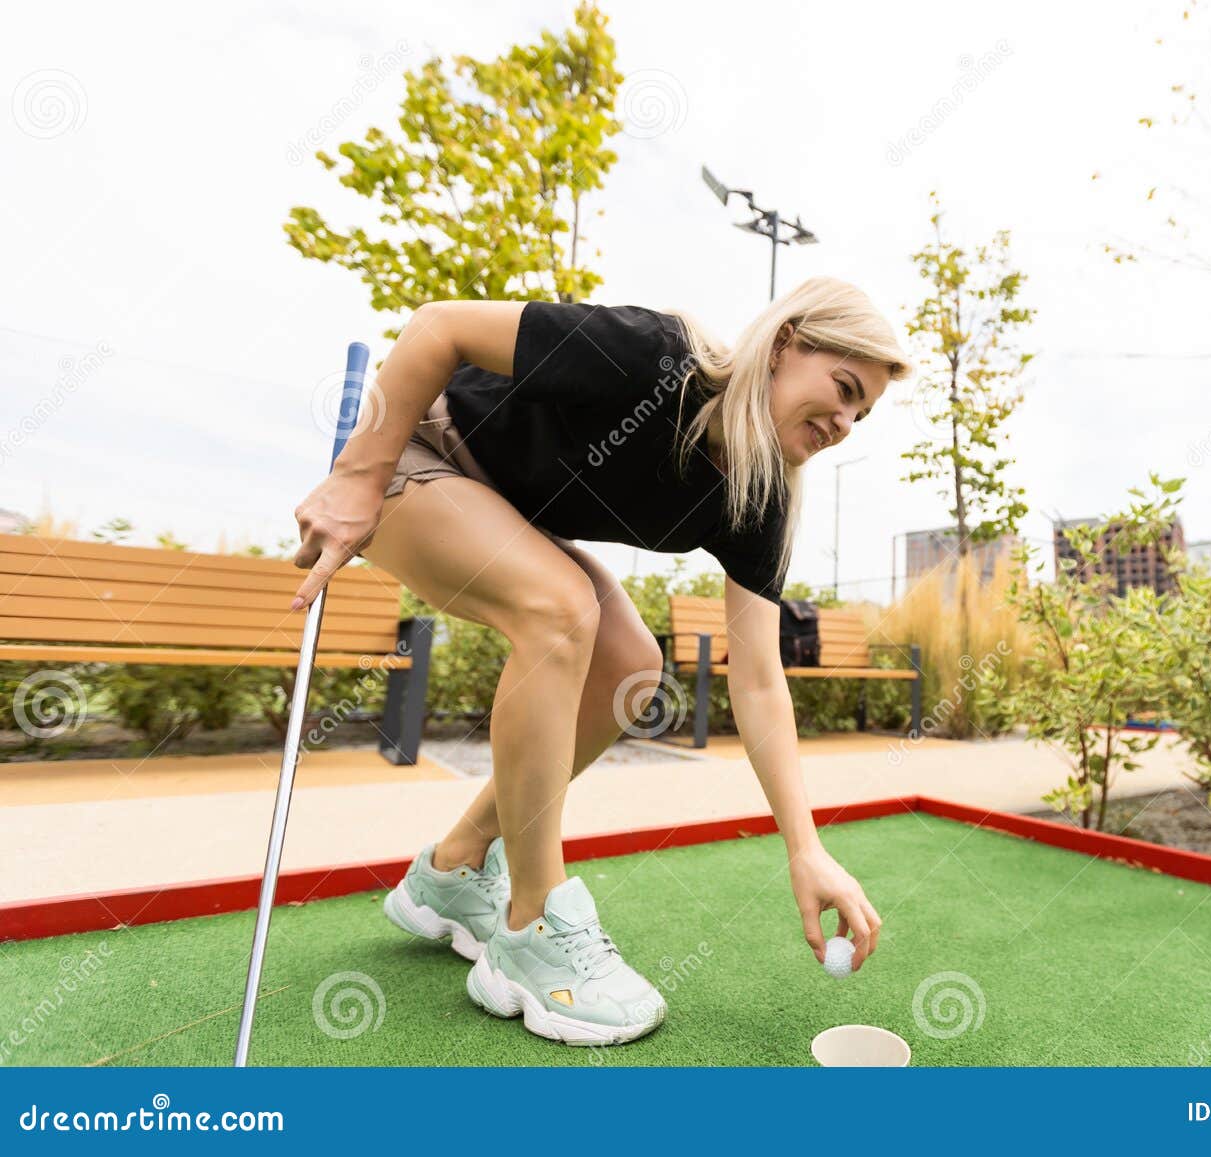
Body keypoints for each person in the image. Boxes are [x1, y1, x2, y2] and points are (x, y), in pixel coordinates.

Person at [289, 277, 911, 1046]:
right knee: (561, 609)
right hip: (408, 455)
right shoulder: (654, 357)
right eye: (844, 389)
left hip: (498, 509)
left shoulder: (761, 498)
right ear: (785, 344)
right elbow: (437, 326)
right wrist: (357, 475)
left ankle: (453, 868)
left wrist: (805, 846)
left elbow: (758, 679)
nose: (846, 423)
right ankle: (532, 926)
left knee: (630, 667)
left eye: (862, 413)